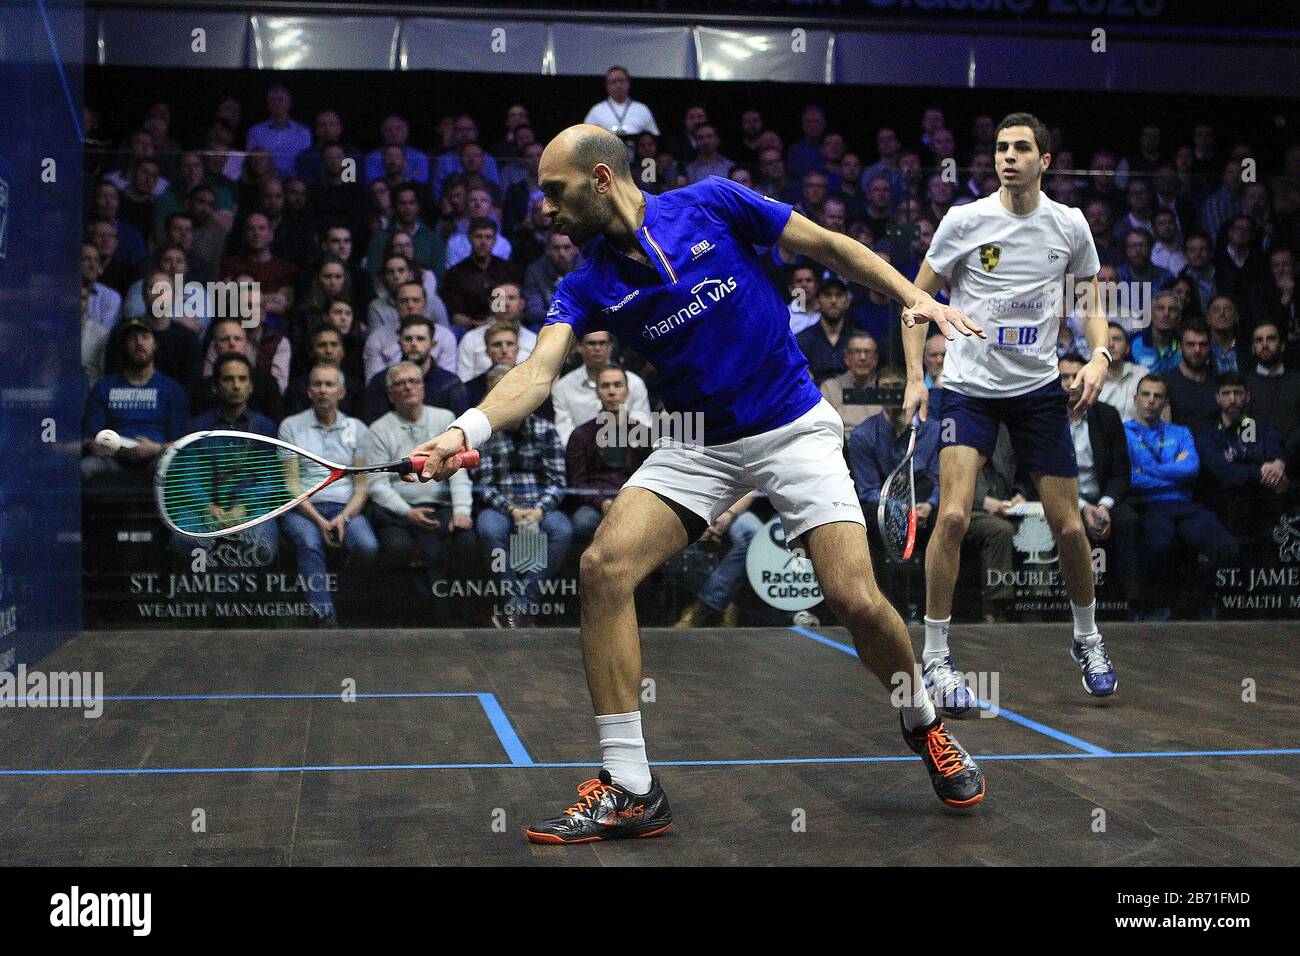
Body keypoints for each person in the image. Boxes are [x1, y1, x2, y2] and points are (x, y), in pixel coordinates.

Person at [407, 124, 986, 842]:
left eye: (554, 193)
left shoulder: (711, 204)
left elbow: (829, 245)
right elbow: (534, 372)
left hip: (794, 425)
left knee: (856, 600)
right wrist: (466, 430)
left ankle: (921, 721)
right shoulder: (584, 283)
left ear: (600, 179)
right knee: (603, 567)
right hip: (696, 444)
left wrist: (911, 295)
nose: (544, 210)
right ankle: (631, 786)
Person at [904, 112, 1117, 709]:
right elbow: (917, 301)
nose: (1008, 156)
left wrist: (1099, 355)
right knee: (951, 518)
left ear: (1044, 162)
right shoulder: (965, 220)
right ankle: (938, 659)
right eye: (1001, 147)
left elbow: (1090, 299)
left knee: (1070, 526)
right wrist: (918, 379)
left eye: (1022, 148)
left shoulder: (1069, 225)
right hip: (968, 389)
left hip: (1038, 391)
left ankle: (1087, 637)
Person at [1123, 374, 1238, 619]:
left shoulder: (1181, 432)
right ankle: (1155, 606)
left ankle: (1189, 599)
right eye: (1146, 395)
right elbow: (1130, 479)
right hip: (1149, 505)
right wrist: (1173, 471)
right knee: (1159, 547)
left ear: (1166, 402)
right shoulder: (1125, 432)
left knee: (1227, 547)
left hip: (1184, 504)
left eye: (1158, 396)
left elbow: (1191, 469)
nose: (1151, 401)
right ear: (1136, 399)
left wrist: (1149, 470)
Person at [469, 365, 574, 629]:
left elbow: (558, 481)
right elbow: (483, 484)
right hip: (501, 507)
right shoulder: (484, 433)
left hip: (540, 505)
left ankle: (519, 605)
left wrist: (539, 510)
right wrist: (511, 510)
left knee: (562, 530)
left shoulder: (546, 429)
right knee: (489, 529)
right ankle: (515, 606)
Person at [277, 363, 379, 627]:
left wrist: (343, 518)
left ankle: (339, 602)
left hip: (344, 508)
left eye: (329, 385)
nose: (323, 390)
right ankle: (324, 616)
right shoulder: (290, 427)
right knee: (310, 542)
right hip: (301, 508)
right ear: (309, 391)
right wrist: (321, 522)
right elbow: (291, 485)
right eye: (317, 385)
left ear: (341, 392)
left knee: (368, 547)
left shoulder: (358, 428)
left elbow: (361, 487)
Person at [364, 361, 476, 598]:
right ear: (390, 394)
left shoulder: (445, 420)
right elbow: (377, 485)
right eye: (399, 383)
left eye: (413, 381)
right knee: (396, 547)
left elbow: (458, 470)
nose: (407, 387)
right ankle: (404, 613)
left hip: (441, 506)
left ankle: (459, 610)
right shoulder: (378, 430)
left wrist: (462, 511)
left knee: (465, 539)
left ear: (423, 388)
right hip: (397, 513)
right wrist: (407, 512)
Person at [1058, 353, 1137, 607]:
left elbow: (1120, 471)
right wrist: (1082, 506)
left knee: (1129, 521)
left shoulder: (1107, 416)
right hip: (1065, 499)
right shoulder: (1047, 420)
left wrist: (1103, 505)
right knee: (1065, 526)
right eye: (1064, 377)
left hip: (1102, 497)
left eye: (1077, 377)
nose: (1071, 384)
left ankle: (1129, 605)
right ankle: (1064, 607)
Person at [82, 319, 188, 486]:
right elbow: (90, 437)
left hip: (156, 459)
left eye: (145, 337)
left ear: (155, 345)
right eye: (133, 338)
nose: (139, 343)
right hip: (113, 460)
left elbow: (181, 442)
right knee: (86, 467)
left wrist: (155, 449)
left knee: (177, 468)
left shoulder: (172, 390)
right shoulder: (103, 388)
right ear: (124, 347)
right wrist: (97, 446)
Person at [1194, 371, 1291, 551]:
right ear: (1217, 398)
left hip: (1262, 502)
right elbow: (1228, 473)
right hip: (1226, 506)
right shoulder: (1208, 434)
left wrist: (1278, 464)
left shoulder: (1256, 428)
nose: (1232, 399)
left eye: (1238, 393)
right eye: (1226, 393)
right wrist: (1263, 472)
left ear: (1247, 396)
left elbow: (1273, 450)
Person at [849, 366, 939, 555]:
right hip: (885, 506)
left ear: (907, 389)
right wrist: (901, 507)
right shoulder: (862, 435)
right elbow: (867, 490)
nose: (891, 392)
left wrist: (930, 504)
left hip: (927, 504)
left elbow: (939, 480)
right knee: (869, 515)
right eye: (885, 387)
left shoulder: (933, 429)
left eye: (897, 386)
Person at [566, 364, 654, 549]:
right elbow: (577, 482)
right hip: (596, 503)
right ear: (597, 392)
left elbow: (652, 478)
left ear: (627, 391)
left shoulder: (644, 434)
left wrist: (630, 502)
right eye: (605, 386)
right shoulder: (581, 435)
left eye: (617, 385)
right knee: (582, 522)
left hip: (633, 500)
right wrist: (602, 503)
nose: (612, 392)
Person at [362, 315, 468, 424]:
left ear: (433, 344)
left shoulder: (450, 383)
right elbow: (373, 423)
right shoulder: (381, 382)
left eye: (420, 339)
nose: (413, 343)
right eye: (408, 339)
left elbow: (460, 425)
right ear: (400, 343)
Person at [551, 330, 650, 445]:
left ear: (610, 347)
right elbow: (564, 432)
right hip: (580, 456)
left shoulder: (634, 383)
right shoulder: (563, 387)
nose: (597, 348)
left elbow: (643, 426)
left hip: (629, 454)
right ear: (580, 347)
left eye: (602, 343)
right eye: (591, 343)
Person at [456, 282, 537, 381]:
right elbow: (464, 381)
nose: (506, 304)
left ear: (521, 304)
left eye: (511, 298)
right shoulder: (471, 338)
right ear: (492, 304)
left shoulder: (535, 341)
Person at [796, 279, 864, 384]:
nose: (833, 301)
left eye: (839, 295)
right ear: (818, 302)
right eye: (827, 295)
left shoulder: (859, 339)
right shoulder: (803, 339)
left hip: (852, 397)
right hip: (815, 397)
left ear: (847, 302)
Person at [1162, 320, 1221, 430]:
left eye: (1202, 344)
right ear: (1179, 347)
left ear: (1209, 347)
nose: (1197, 350)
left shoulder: (1219, 382)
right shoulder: (1164, 383)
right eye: (1190, 344)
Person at [820, 331, 882, 434]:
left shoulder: (885, 388)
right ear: (847, 358)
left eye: (867, 352)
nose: (863, 358)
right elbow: (823, 426)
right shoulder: (830, 388)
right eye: (857, 352)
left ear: (875, 359)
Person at [245, 84, 311, 179]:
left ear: (289, 103)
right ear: (268, 103)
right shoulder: (255, 131)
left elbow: (306, 164)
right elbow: (251, 162)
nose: (277, 104)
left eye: (280, 100)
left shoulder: (303, 132)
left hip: (294, 182)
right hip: (264, 183)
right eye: (273, 100)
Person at [1097, 323, 1145, 423]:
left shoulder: (1142, 374)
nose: (1111, 345)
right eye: (1106, 339)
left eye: (1117, 339)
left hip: (1138, 436)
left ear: (1127, 348)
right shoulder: (1091, 377)